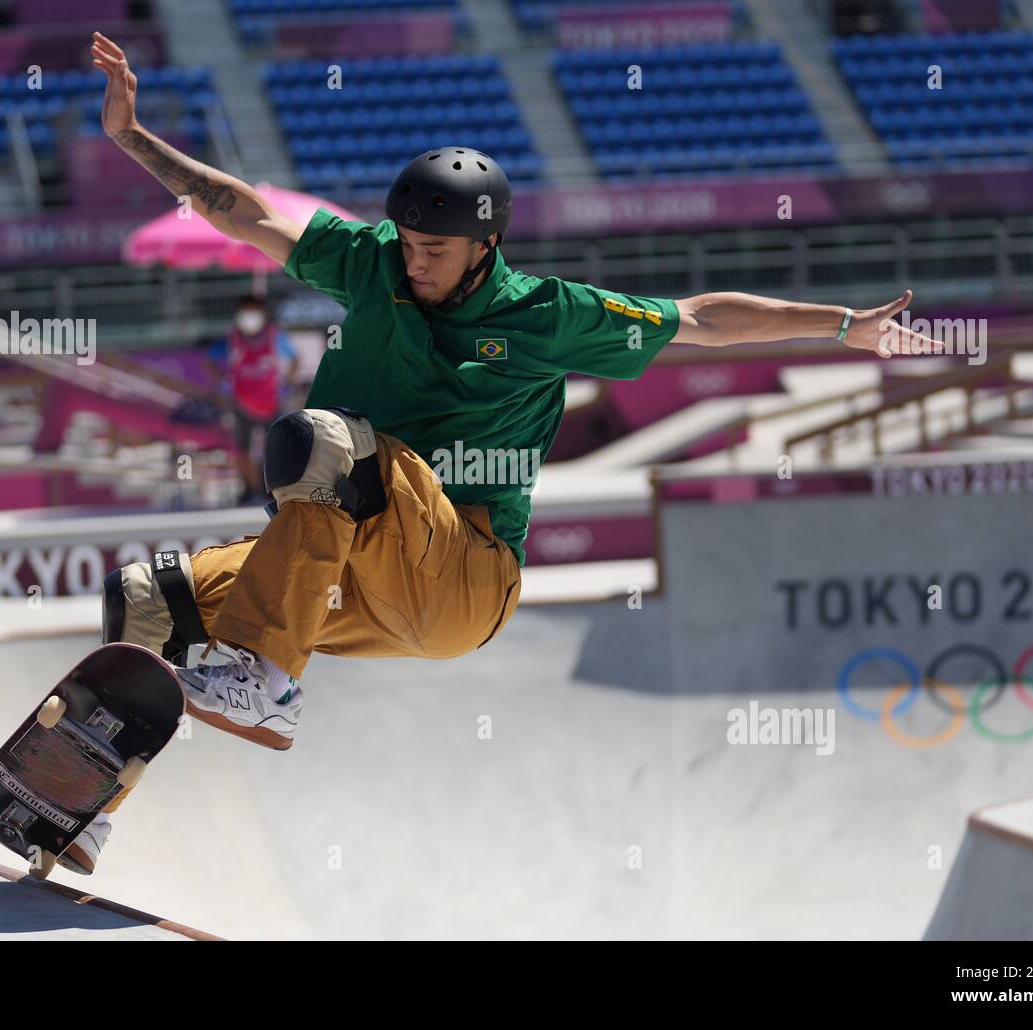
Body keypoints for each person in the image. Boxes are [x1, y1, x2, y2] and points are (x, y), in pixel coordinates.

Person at [71, 31, 940, 875]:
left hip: (461, 576)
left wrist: (844, 328)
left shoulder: (548, 314)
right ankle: (76, 809)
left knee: (321, 444)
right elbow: (247, 211)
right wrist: (135, 139)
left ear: (488, 245)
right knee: (146, 601)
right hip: (351, 575)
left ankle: (266, 680)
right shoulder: (369, 262)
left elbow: (704, 319)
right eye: (409, 247)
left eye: (436, 253)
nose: (416, 266)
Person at [205, 294, 300, 503]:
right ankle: (247, 487)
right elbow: (210, 359)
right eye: (245, 312)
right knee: (242, 448)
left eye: (253, 312)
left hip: (272, 401)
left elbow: (295, 358)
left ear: (263, 314)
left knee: (274, 446)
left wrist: (287, 383)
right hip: (241, 403)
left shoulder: (276, 338)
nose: (249, 317)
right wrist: (223, 383)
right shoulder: (232, 340)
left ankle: (272, 488)